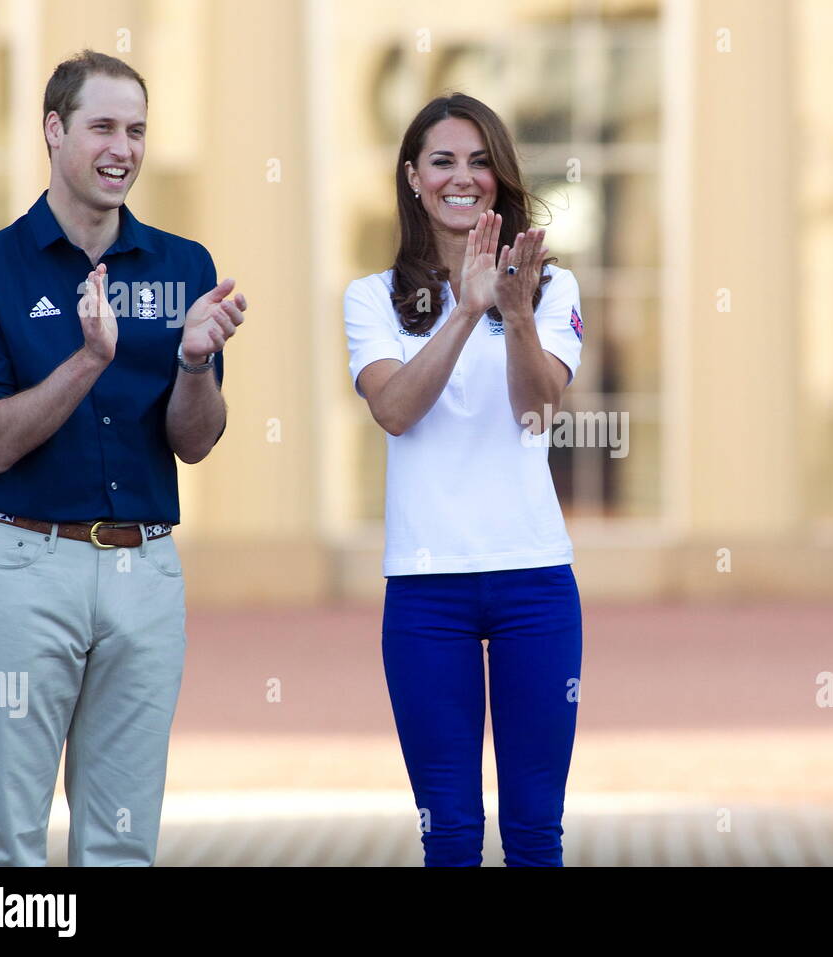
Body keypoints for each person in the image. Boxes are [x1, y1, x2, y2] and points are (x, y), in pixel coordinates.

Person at [0, 50, 247, 866]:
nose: (124, 148)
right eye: (104, 126)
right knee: (8, 838)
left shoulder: (186, 269)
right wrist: (87, 359)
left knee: (121, 844)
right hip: (24, 565)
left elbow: (196, 440)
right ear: (54, 130)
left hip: (144, 571)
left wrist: (191, 365)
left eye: (138, 130)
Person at [343, 93, 584, 867]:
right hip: (425, 590)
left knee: (534, 832)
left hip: (535, 584)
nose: (463, 177)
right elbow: (394, 409)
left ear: (501, 176)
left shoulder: (552, 288)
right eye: (443, 160)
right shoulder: (371, 297)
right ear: (412, 177)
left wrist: (512, 311)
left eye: (481, 161)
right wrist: (461, 310)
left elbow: (535, 408)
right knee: (447, 830)